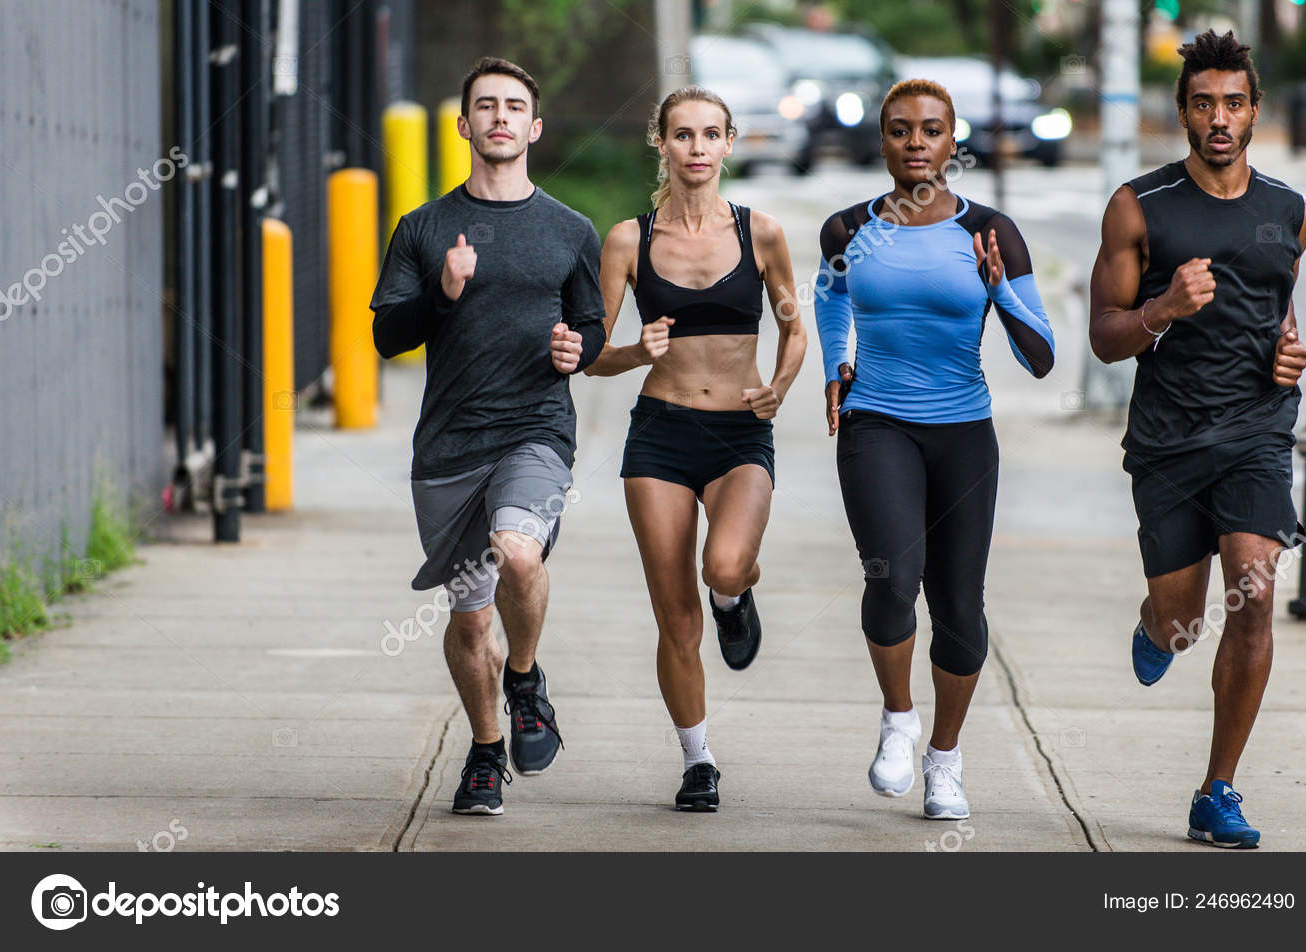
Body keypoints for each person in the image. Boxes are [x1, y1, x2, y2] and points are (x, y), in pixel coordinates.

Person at [1087, 29, 1306, 850]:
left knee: (1253, 598)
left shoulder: (1291, 212)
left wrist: (1290, 350)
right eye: (1204, 103)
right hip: (1169, 440)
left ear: (1256, 112)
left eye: (1235, 103)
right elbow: (1105, 338)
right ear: (1182, 111)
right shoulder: (1138, 207)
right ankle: (1157, 628)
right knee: (1184, 624)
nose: (1220, 117)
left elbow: (1279, 308)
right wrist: (1163, 310)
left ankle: (1218, 790)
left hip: (1256, 431)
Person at [370, 57, 606, 816]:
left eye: (514, 107)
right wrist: (443, 290)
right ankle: (483, 749)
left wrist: (583, 350)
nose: (500, 117)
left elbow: (592, 325)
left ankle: (527, 678)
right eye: (486, 106)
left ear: (533, 128)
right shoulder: (425, 229)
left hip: (535, 431)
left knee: (518, 550)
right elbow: (386, 338)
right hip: (448, 446)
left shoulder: (570, 230)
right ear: (465, 125)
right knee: (469, 617)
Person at [814, 78, 1054, 821]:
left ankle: (944, 761)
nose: (915, 142)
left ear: (955, 142)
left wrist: (999, 290)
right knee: (892, 578)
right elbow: (828, 296)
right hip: (876, 422)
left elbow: (1041, 357)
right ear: (881, 140)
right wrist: (834, 367)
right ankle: (898, 718)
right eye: (899, 130)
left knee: (958, 608)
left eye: (931, 130)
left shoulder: (991, 231)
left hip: (962, 433)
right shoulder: (848, 228)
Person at [585, 86, 806, 812]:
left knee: (725, 563)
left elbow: (793, 327)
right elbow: (591, 354)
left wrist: (779, 383)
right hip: (661, 433)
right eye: (684, 135)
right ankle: (698, 758)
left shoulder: (761, 235)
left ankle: (734, 597)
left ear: (729, 144)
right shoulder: (628, 240)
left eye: (711, 135)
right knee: (675, 617)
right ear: (663, 145)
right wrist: (633, 352)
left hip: (741, 430)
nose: (698, 148)